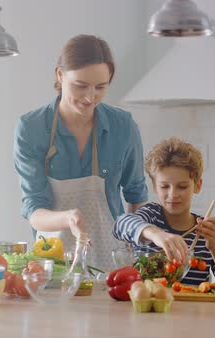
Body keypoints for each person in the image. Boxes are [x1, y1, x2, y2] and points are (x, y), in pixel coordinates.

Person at [14, 35, 148, 271]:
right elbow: (34, 210)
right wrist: (69, 218)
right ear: (59, 75)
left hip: (113, 264)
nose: (90, 97)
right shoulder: (32, 128)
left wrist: (134, 254)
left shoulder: (123, 126)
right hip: (52, 263)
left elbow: (136, 196)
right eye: (81, 85)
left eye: (100, 87)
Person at [114, 137, 215, 285]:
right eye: (164, 186)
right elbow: (120, 224)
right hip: (149, 305)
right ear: (154, 186)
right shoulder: (150, 216)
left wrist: (214, 247)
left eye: (182, 186)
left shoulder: (210, 231)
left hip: (192, 307)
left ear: (197, 186)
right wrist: (156, 234)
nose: (173, 194)